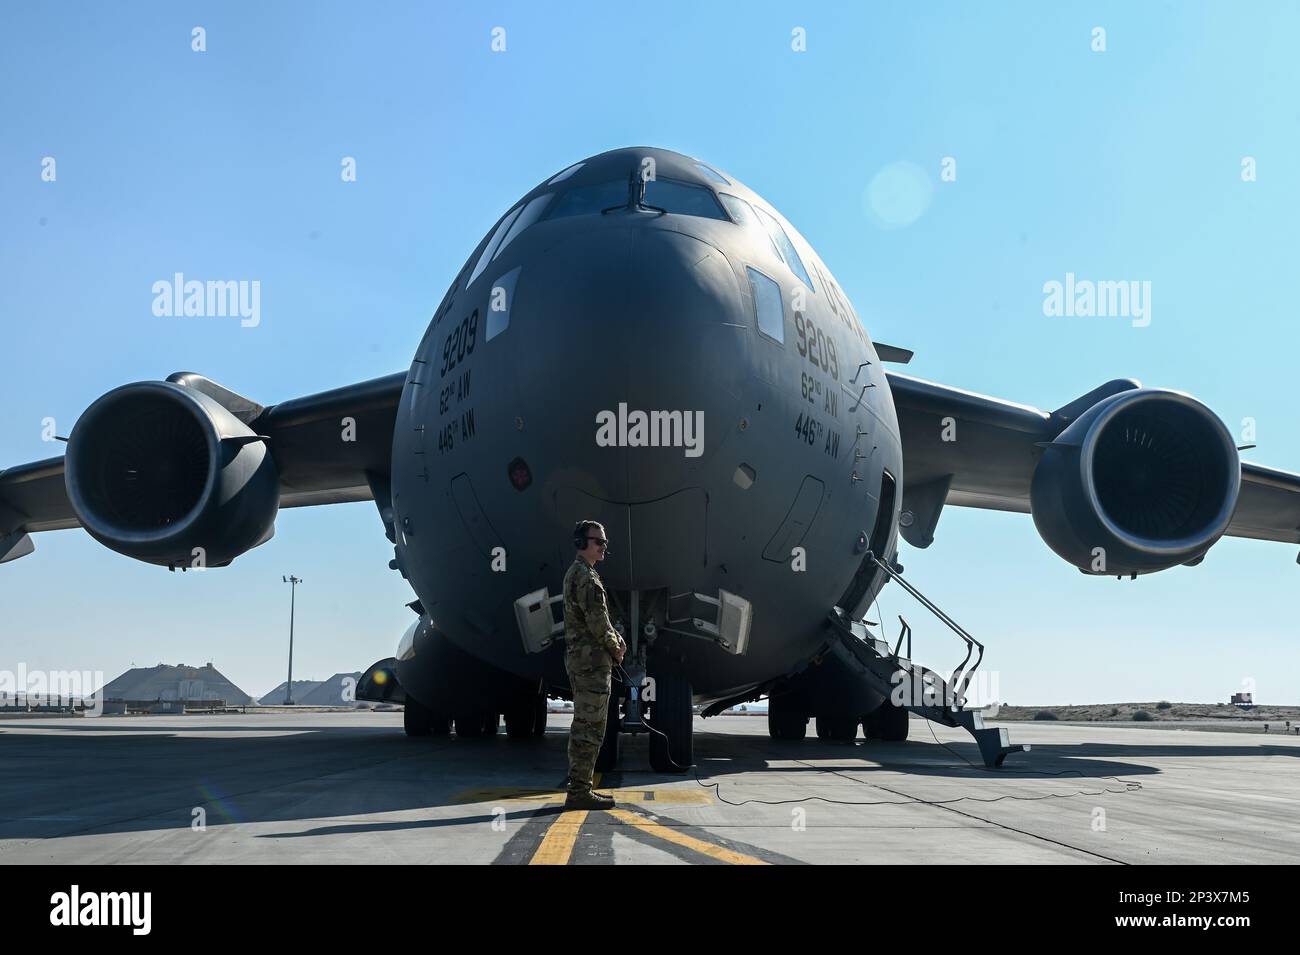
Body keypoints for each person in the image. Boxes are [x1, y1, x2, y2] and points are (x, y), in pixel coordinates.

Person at [562, 520, 627, 810]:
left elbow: (598, 620)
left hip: (586, 661)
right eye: (598, 541)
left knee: (589, 726)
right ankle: (578, 791)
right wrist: (615, 647)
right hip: (591, 664)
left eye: (604, 542)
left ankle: (581, 788)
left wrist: (614, 640)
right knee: (589, 728)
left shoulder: (581, 574)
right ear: (581, 543)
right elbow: (597, 620)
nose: (603, 547)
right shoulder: (585, 578)